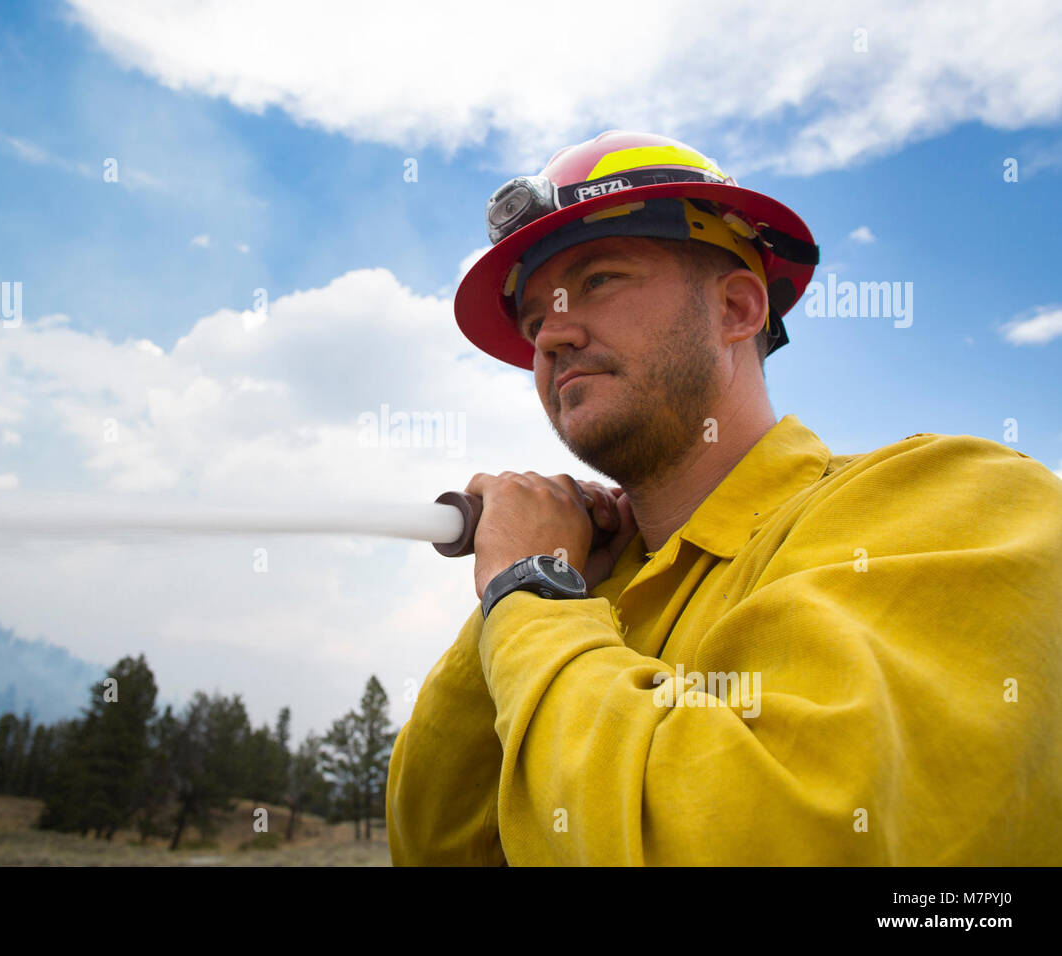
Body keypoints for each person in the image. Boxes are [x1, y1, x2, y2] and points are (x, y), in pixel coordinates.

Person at [385, 131, 1062, 865]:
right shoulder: (589, 601)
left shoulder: (967, 503)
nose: (552, 335)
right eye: (534, 321)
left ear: (738, 308)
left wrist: (526, 591)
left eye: (599, 280)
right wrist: (520, 593)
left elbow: (776, 836)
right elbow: (438, 845)